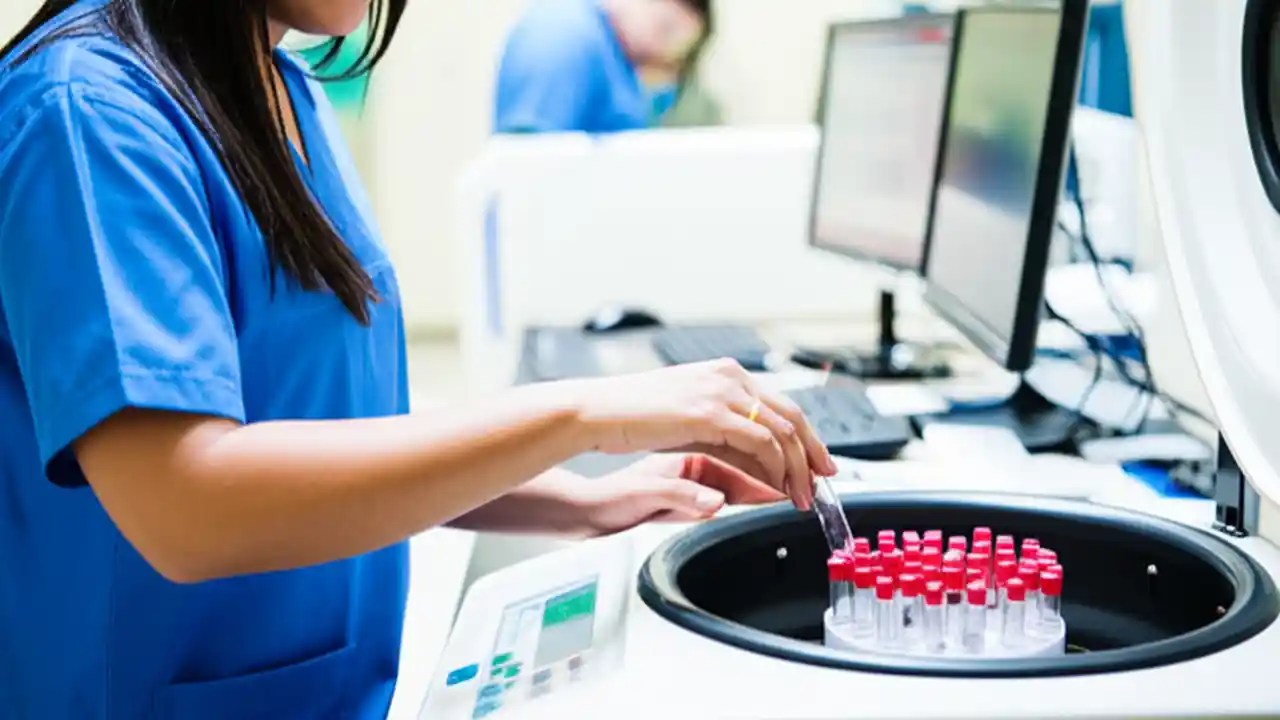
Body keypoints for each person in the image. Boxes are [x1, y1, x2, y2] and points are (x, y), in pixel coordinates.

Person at [0, 0, 834, 717]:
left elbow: (335, 418)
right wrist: (589, 413)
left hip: (313, 689)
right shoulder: (87, 111)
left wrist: (577, 502)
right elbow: (185, 507)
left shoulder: (278, 85)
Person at [493, 0, 711, 133]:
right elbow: (529, 158)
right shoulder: (566, 33)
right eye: (666, 30)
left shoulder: (613, 52)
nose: (660, 53)